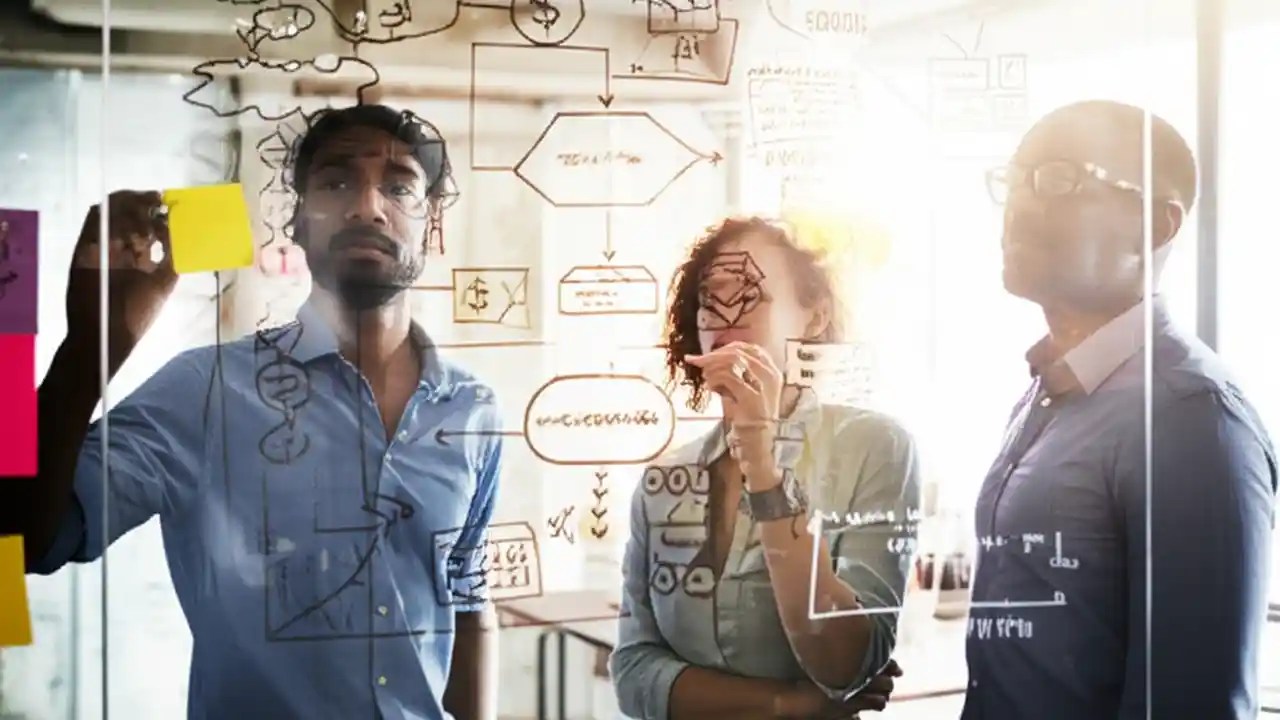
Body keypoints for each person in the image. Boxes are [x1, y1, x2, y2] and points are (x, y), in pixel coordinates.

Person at [0, 104, 503, 720]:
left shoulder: (472, 410)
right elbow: (24, 537)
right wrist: (89, 351)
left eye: (399, 186)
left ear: (434, 225)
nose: (368, 206)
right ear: (296, 220)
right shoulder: (205, 389)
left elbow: (469, 602)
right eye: (337, 181)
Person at [963, 100, 1277, 719]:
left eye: (1058, 178)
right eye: (1012, 179)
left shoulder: (1193, 418)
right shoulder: (1043, 390)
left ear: (1157, 226)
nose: (1019, 204)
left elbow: (1196, 706)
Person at [609, 216, 921, 719]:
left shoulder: (874, 447)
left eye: (750, 294)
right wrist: (790, 705)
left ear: (814, 318)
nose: (725, 315)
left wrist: (762, 462)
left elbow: (847, 661)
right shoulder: (663, 482)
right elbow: (633, 674)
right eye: (709, 298)